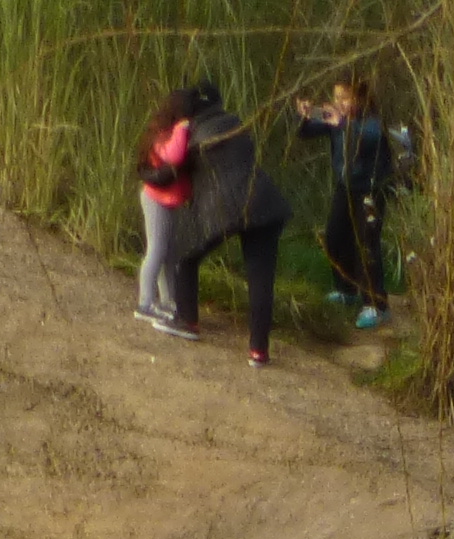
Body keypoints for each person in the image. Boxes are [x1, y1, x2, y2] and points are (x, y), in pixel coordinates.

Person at [155, 80, 293, 365]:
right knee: (261, 279)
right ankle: (259, 351)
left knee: (186, 253)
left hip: (224, 208)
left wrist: (148, 176)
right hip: (264, 201)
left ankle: (188, 321)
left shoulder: (191, 134)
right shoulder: (238, 122)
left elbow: (174, 173)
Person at [291, 79, 398, 327]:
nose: (339, 103)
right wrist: (305, 116)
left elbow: (368, 138)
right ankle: (346, 289)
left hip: (371, 190)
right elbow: (305, 133)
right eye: (337, 97)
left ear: (361, 99)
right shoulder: (337, 120)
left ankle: (376, 304)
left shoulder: (372, 123)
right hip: (346, 186)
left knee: (367, 244)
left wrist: (343, 124)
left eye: (345, 98)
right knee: (335, 236)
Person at [133, 85, 201, 335]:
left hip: (170, 200)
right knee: (157, 249)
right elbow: (174, 156)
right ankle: (145, 302)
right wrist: (182, 130)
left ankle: (168, 301)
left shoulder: (171, 131)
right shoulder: (163, 134)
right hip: (156, 199)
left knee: (170, 254)